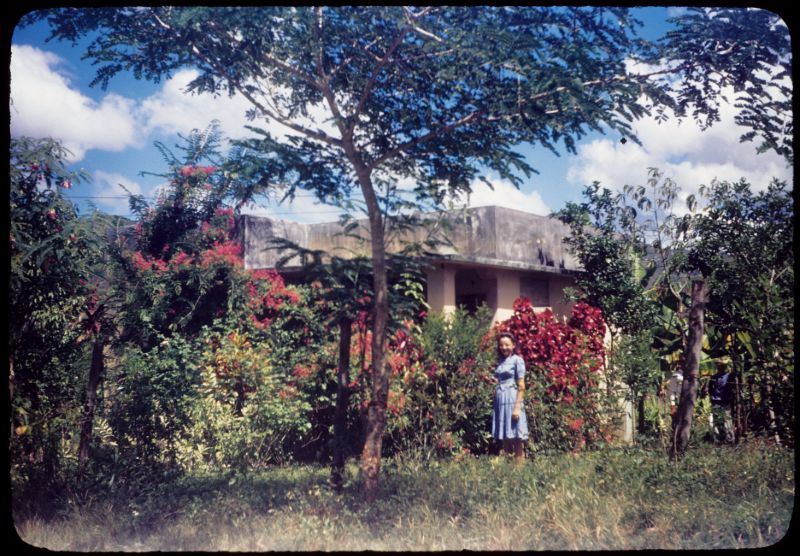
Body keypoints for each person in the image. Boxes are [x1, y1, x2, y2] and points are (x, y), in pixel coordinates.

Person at [491, 331, 529, 462]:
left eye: (507, 344)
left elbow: (522, 385)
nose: (504, 347)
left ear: (513, 345)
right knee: (506, 435)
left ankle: (519, 473)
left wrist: (517, 408)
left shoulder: (518, 360)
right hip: (501, 401)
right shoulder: (500, 362)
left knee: (517, 437)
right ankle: (509, 473)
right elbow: (497, 380)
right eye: (501, 345)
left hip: (512, 400)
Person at [708, 359, 735, 444]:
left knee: (727, 421)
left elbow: (732, 388)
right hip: (716, 401)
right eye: (718, 366)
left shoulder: (729, 376)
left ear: (724, 367)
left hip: (725, 401)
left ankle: (730, 439)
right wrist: (712, 397)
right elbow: (710, 389)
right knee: (717, 421)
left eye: (722, 366)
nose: (720, 367)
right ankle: (718, 440)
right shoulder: (713, 377)